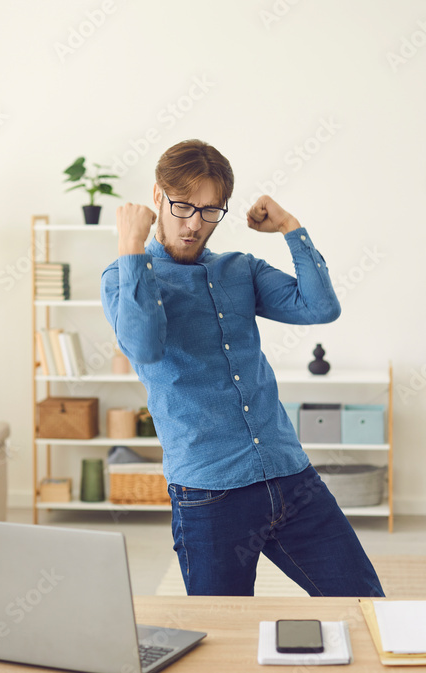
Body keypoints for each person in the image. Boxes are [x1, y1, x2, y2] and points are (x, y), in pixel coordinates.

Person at [101, 139, 383, 598]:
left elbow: (319, 307)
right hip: (210, 494)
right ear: (157, 196)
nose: (195, 224)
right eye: (183, 206)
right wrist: (130, 246)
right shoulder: (124, 276)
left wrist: (290, 227)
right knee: (222, 630)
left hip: (290, 475)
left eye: (211, 210)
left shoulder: (240, 269)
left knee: (364, 602)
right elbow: (145, 347)